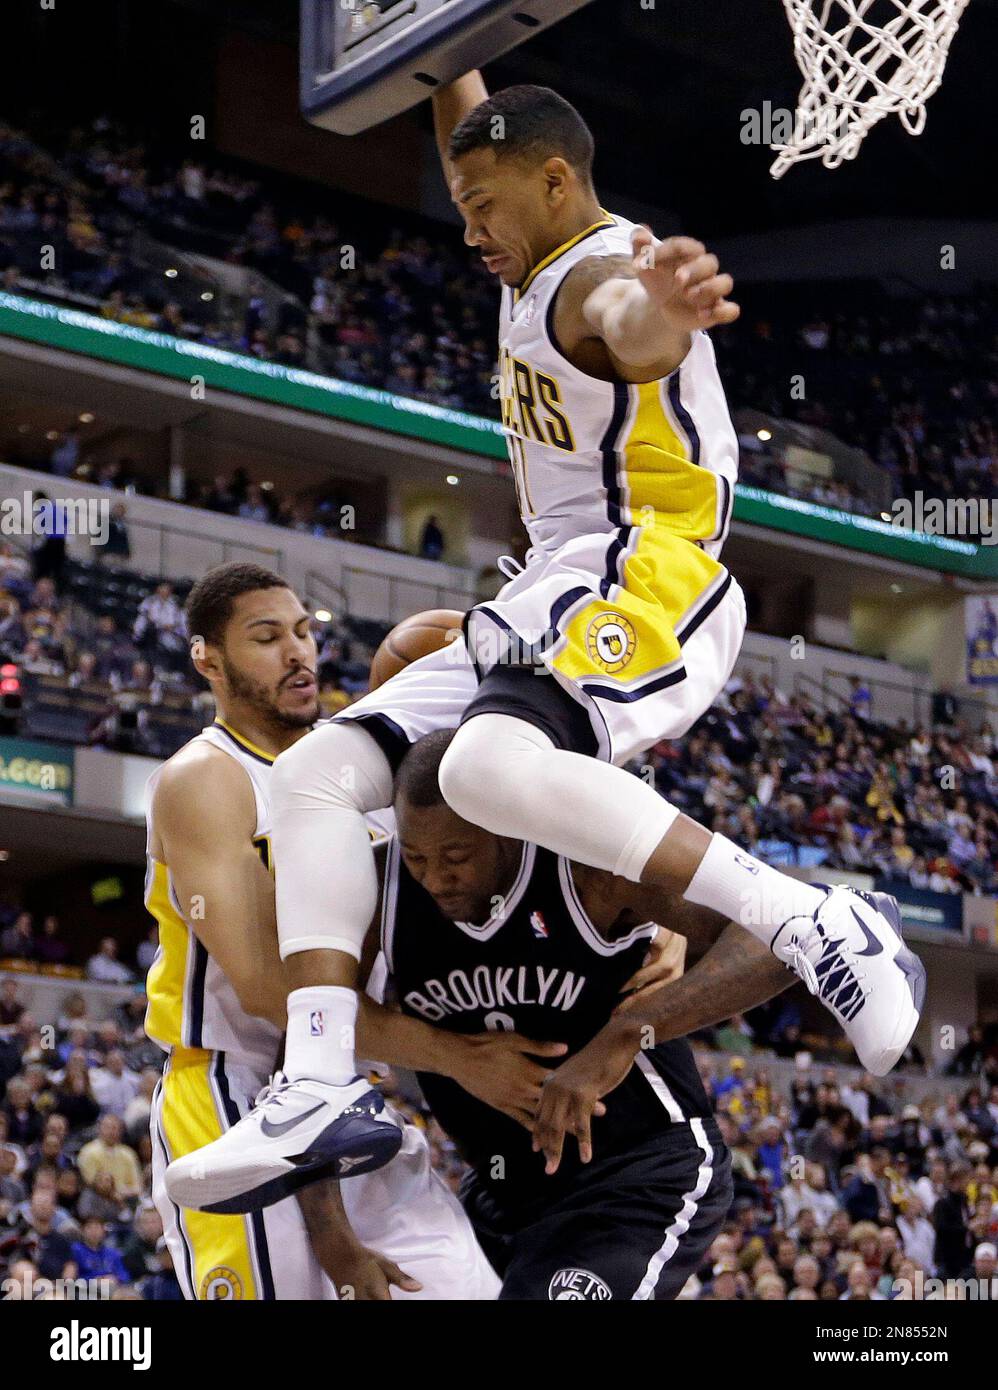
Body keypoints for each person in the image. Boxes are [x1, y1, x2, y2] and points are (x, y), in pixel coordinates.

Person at [171, 76, 924, 1213]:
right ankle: (320, 1079)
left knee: (481, 770)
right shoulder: (528, 251)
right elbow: (465, 118)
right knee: (316, 774)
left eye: (482, 204)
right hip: (549, 582)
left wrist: (665, 309)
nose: (466, 225)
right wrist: (439, 50)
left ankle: (810, 915)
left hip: (650, 565)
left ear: (556, 182)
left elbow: (625, 325)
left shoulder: (592, 277)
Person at [144, 563, 499, 1300]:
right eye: (267, 638)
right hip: (232, 1096)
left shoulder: (356, 778)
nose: (298, 653)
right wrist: (465, 1059)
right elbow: (277, 994)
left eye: (305, 632)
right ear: (207, 658)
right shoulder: (205, 779)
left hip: (349, 1090)